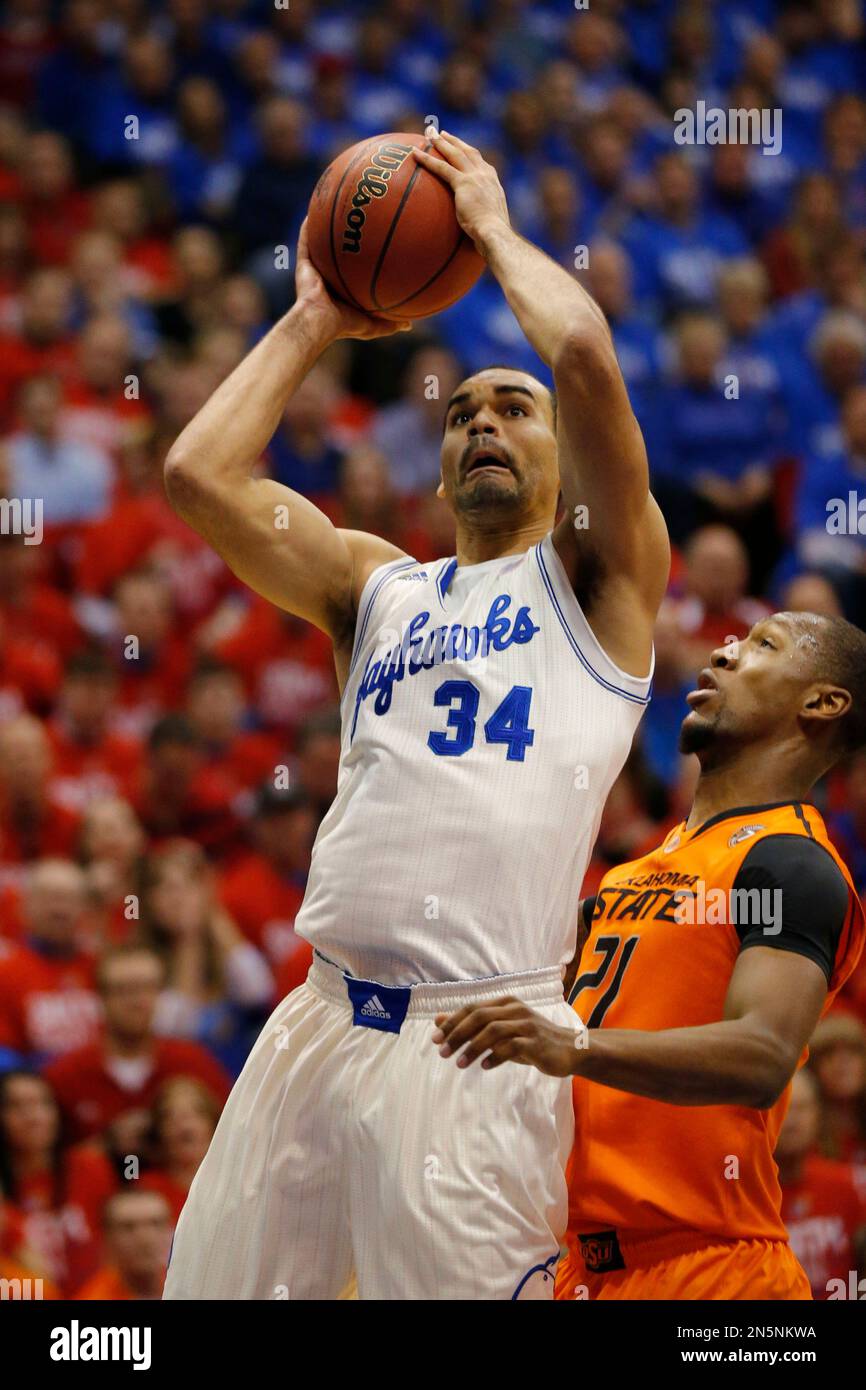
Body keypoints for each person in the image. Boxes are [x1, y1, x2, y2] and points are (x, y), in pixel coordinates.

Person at [161, 129, 669, 1300]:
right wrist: (316, 319)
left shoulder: (599, 586)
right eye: (462, 416)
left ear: (561, 458)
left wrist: (488, 232)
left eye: (513, 410)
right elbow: (199, 476)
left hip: (478, 1042)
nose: (484, 422)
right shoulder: (372, 587)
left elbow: (584, 352)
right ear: (437, 469)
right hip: (316, 1021)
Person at [435, 610, 866, 1300]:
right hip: (581, 1268)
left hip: (714, 1271)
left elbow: (762, 1056)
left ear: (821, 703)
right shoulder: (629, 874)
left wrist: (577, 1046)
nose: (724, 652)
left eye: (763, 645)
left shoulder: (790, 863)